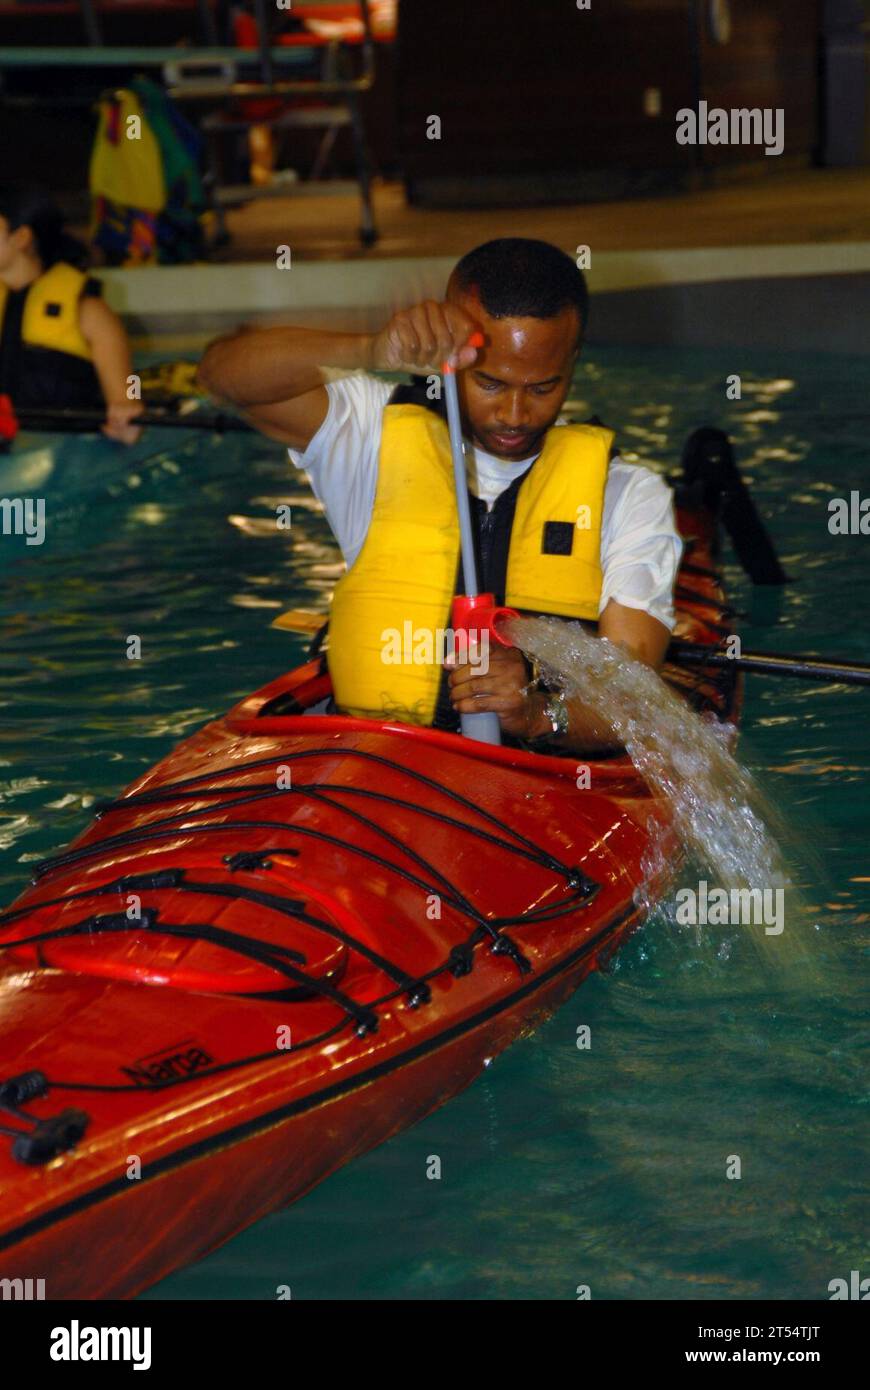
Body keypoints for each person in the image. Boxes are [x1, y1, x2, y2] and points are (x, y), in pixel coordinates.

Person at [198, 237, 683, 752]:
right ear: (453, 355)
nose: (515, 415)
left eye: (543, 387)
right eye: (491, 383)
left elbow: (636, 702)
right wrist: (370, 349)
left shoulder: (628, 496)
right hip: (367, 762)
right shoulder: (368, 432)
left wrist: (541, 713)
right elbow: (222, 377)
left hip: (534, 783)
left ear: (574, 361)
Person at [0, 187, 143, 442]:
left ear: (21, 237)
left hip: (65, 450)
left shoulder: (89, 311)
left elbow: (132, 379)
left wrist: (130, 400)